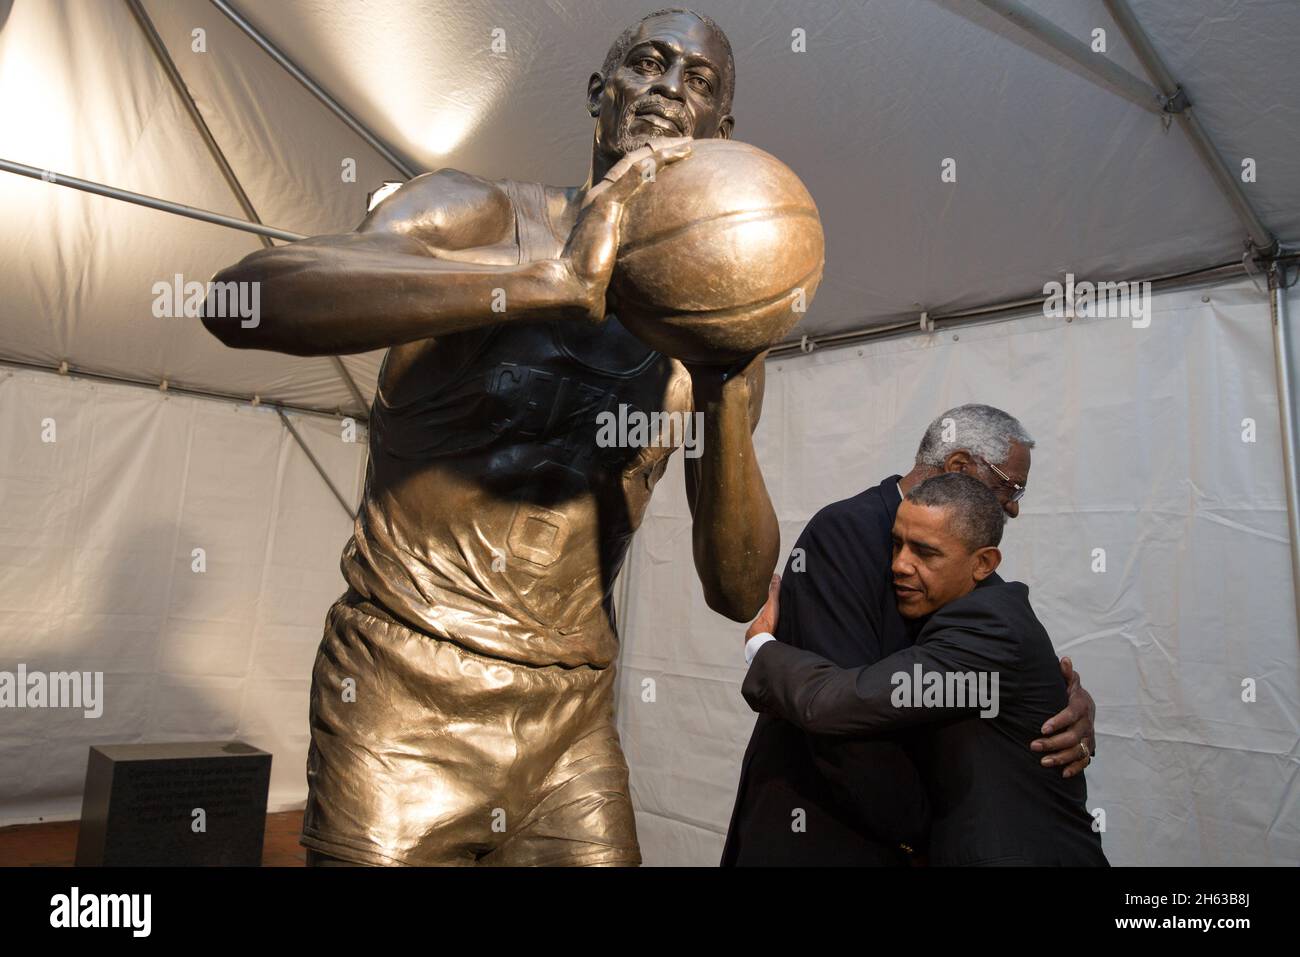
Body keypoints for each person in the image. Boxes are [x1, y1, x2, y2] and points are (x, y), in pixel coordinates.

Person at [203, 8, 778, 866]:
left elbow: (737, 589)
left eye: (696, 82)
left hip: (571, 714)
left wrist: (728, 383)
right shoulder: (477, 212)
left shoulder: (709, 334)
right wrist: (541, 283)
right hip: (405, 684)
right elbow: (241, 300)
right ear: (600, 93)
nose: (666, 90)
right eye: (647, 65)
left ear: (721, 132)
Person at [722, 404, 1097, 865]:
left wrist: (1067, 705)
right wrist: (918, 828)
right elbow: (841, 722)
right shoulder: (847, 531)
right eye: (1011, 485)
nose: (1015, 505)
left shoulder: (975, 572)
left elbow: (1009, 672)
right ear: (959, 467)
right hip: (827, 829)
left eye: (923, 552)